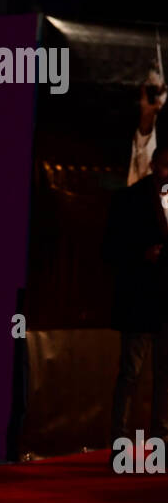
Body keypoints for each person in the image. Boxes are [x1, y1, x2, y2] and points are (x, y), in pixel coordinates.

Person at [103, 141, 168, 455]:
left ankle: (161, 438)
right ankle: (120, 439)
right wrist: (143, 254)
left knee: (164, 375)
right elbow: (111, 249)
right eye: (166, 166)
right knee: (130, 373)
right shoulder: (130, 199)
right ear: (154, 164)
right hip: (140, 301)